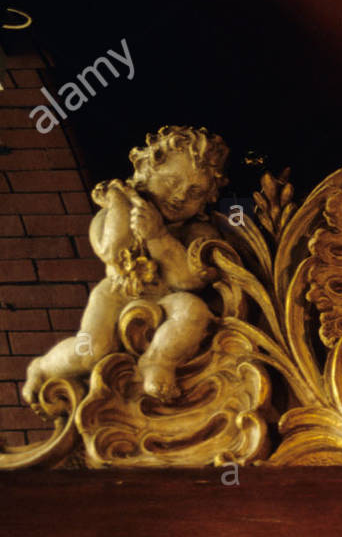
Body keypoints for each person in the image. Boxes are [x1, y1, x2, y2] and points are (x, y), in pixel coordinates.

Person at [23, 126, 229, 403]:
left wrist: (158, 236)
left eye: (195, 192)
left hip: (169, 297)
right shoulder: (115, 210)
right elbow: (112, 251)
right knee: (91, 348)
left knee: (194, 312)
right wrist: (119, 203)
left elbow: (188, 280)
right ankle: (44, 367)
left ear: (208, 197)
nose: (180, 195)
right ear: (146, 173)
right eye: (170, 182)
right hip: (116, 293)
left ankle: (158, 362)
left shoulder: (200, 232)